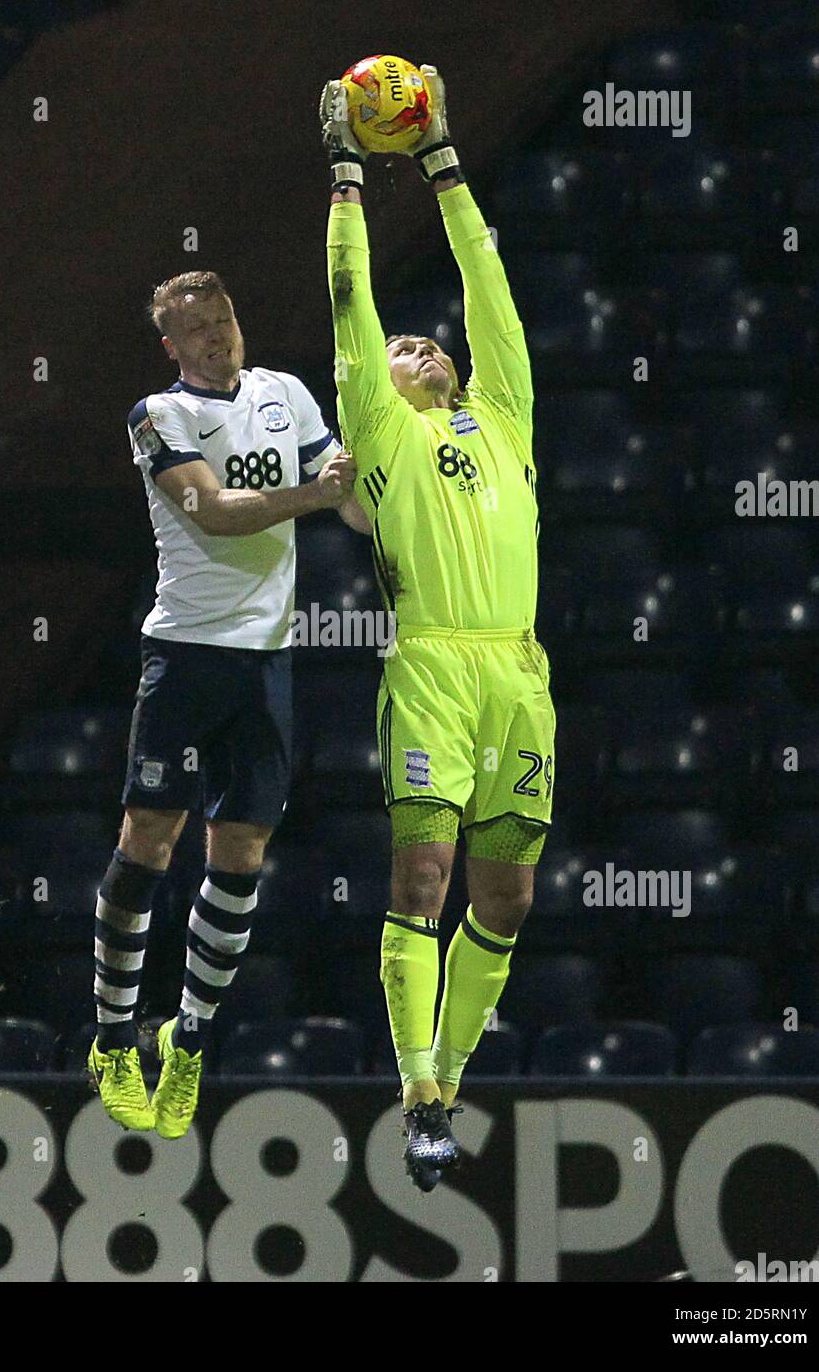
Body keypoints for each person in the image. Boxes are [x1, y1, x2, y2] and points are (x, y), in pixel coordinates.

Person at [321, 67, 556, 1190]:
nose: (415, 344)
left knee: (505, 898)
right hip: (432, 665)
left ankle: (451, 1082)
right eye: (403, 347)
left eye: (430, 343)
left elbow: (490, 289)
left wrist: (446, 159)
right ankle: (417, 1091)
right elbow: (350, 304)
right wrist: (347, 173)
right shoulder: (381, 427)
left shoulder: (500, 414)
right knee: (423, 879)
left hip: (519, 669)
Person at [89, 269, 369, 1137]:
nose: (217, 338)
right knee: (149, 841)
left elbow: (352, 502)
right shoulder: (159, 416)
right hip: (184, 655)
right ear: (169, 346)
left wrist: (399, 498)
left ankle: (190, 1039)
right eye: (196, 330)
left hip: (267, 658)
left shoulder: (286, 394)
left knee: (241, 854)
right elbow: (212, 512)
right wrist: (319, 495)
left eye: (224, 320)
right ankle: (109, 1039)